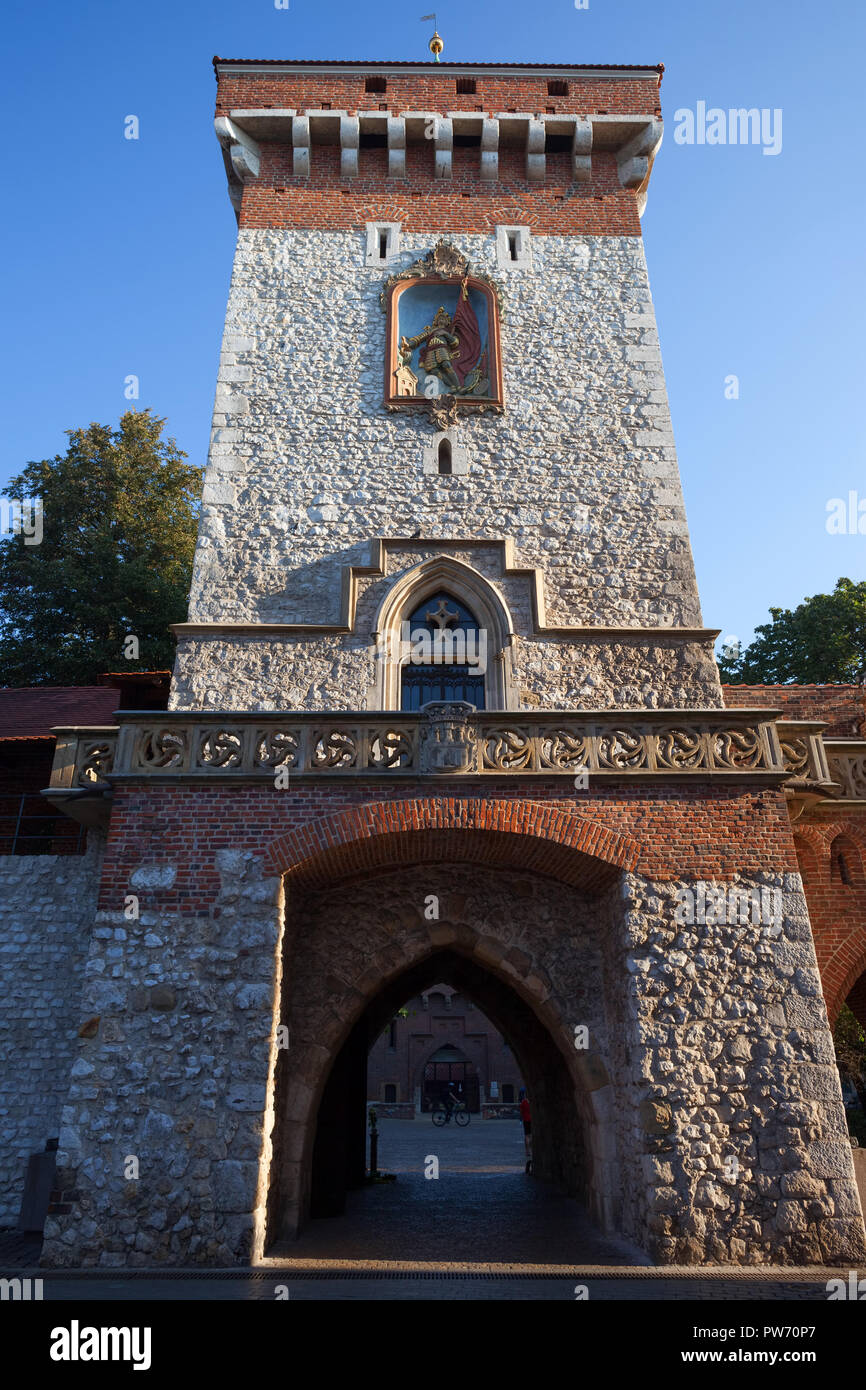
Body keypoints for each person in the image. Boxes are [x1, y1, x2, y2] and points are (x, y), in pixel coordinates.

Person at [519, 1089, 532, 1173]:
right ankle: (531, 1150)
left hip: (526, 1120)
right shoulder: (531, 1102)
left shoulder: (523, 1102)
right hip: (531, 1120)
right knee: (531, 1135)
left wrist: (522, 1117)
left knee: (526, 1135)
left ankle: (527, 1151)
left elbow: (521, 1111)